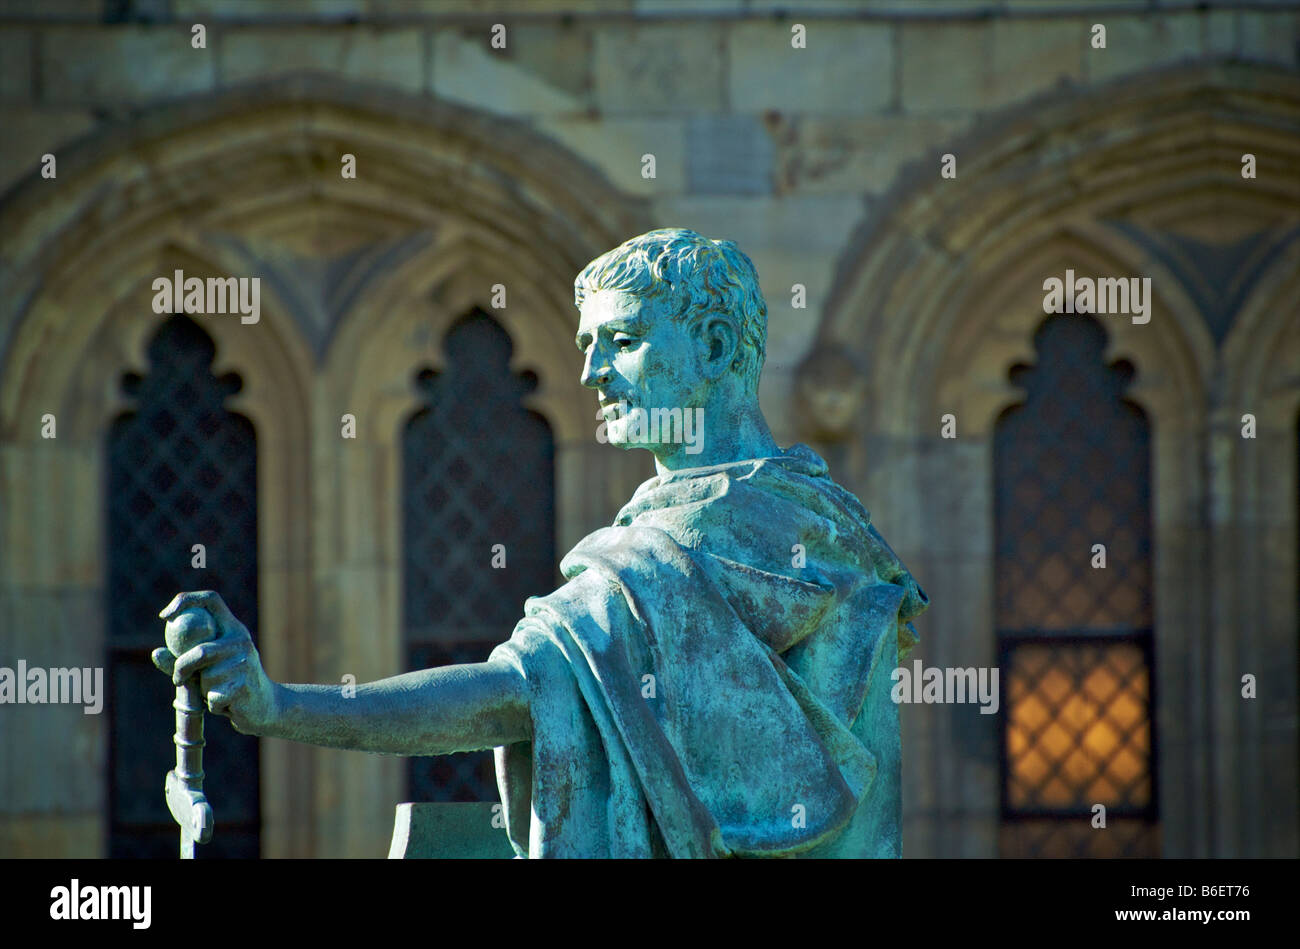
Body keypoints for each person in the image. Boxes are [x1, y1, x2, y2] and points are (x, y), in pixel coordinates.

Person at [155, 227, 928, 858]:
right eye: (588, 344)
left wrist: (280, 704)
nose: (591, 372)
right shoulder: (818, 518)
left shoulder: (736, 532)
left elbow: (513, 693)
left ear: (718, 347)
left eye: (621, 340)